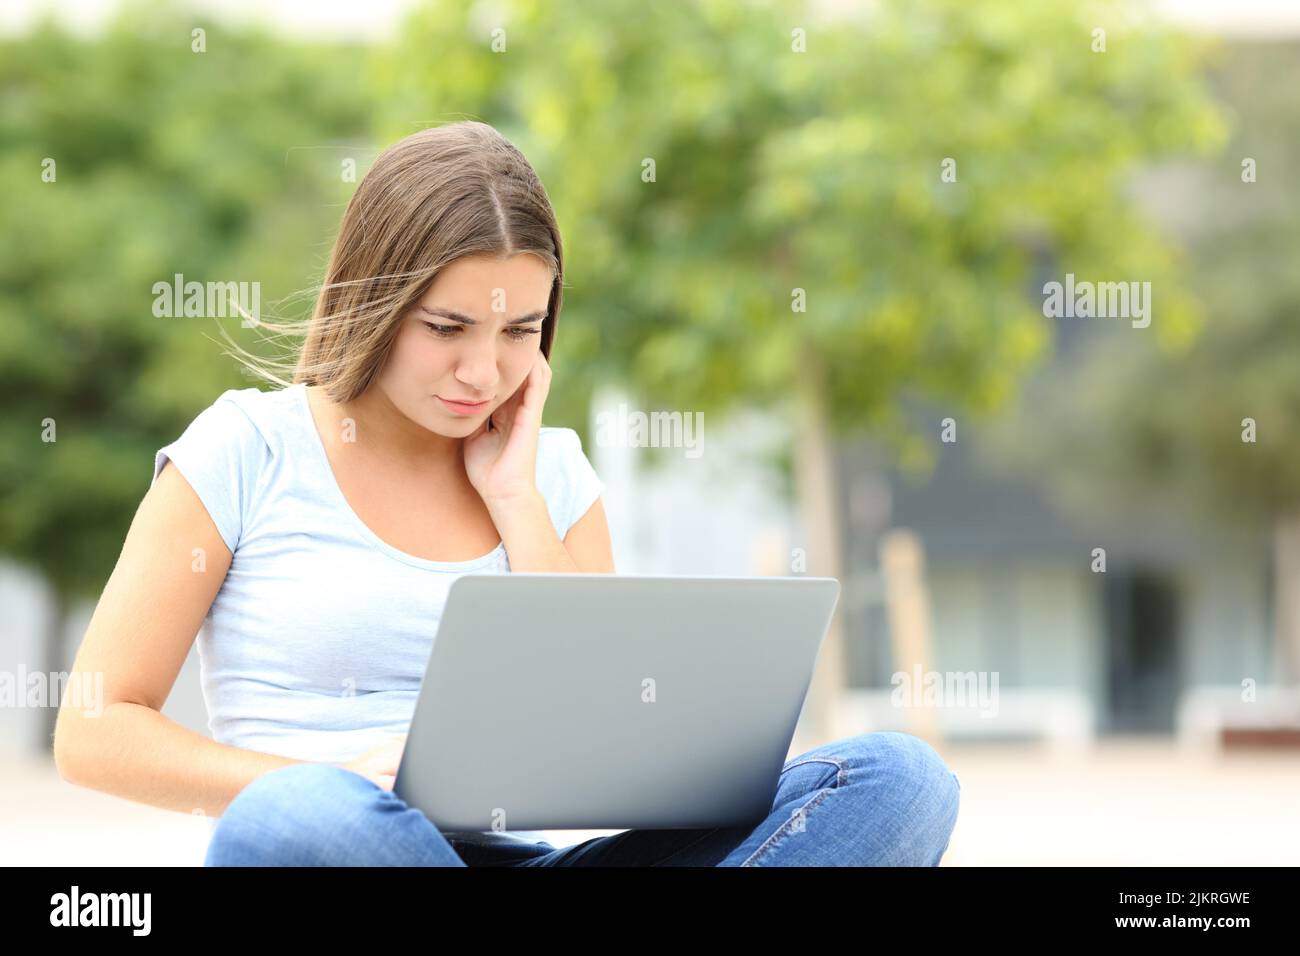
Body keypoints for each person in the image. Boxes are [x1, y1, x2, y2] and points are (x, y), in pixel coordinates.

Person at [54, 121, 960, 866]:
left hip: (524, 859)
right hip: (332, 847)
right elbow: (95, 730)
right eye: (446, 328)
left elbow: (614, 729)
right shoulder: (245, 448)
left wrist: (516, 497)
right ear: (372, 300)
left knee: (900, 780)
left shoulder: (553, 475)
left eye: (520, 330)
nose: (482, 372)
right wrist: (337, 775)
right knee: (296, 820)